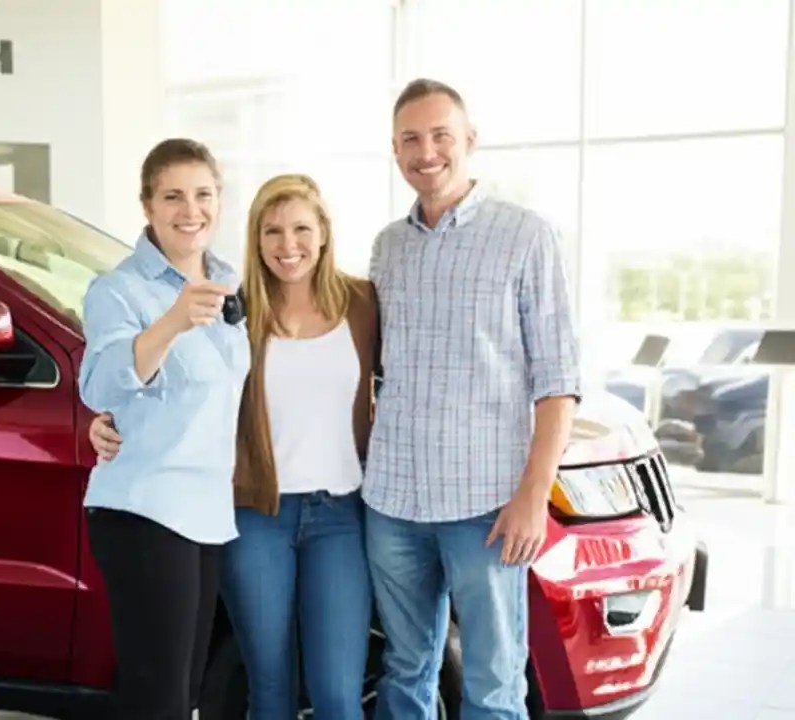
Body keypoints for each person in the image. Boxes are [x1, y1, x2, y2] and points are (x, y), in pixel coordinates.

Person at [90, 173, 382, 719]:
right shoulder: (236, 309)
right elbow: (182, 385)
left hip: (340, 517)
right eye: (272, 231)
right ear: (255, 239)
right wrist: (108, 419)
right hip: (256, 515)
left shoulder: (362, 303)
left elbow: (403, 388)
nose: (288, 245)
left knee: (337, 693)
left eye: (301, 229)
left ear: (324, 233)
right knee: (268, 687)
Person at [363, 77, 581, 720]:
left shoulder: (525, 236)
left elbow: (558, 381)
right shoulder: (387, 246)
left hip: (485, 504)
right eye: (410, 139)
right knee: (405, 669)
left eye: (441, 136)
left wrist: (533, 496)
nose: (426, 152)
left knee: (493, 680)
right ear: (395, 149)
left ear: (470, 140)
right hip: (393, 499)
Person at [77, 137, 251, 720]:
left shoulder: (230, 285)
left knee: (186, 696)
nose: (190, 209)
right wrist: (173, 321)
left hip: (206, 511)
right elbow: (100, 385)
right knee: (159, 699)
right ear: (147, 206)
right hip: (145, 509)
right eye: (172, 196)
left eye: (203, 194)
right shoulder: (119, 290)